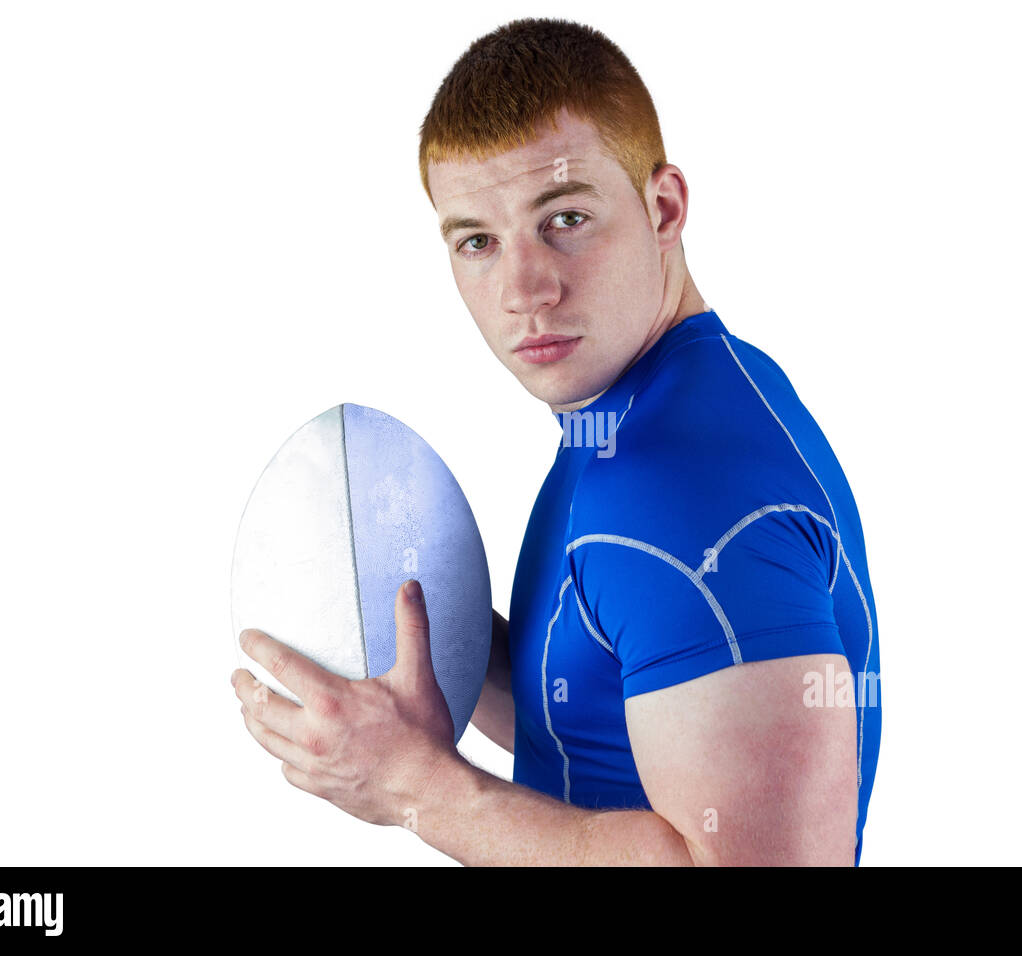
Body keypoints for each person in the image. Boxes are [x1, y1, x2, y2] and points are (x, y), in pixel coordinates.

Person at [233, 16, 881, 866]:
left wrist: (413, 789)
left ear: (664, 208)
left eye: (565, 218)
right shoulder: (658, 410)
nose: (522, 288)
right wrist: (434, 664)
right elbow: (606, 697)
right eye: (477, 241)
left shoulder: (680, 487)